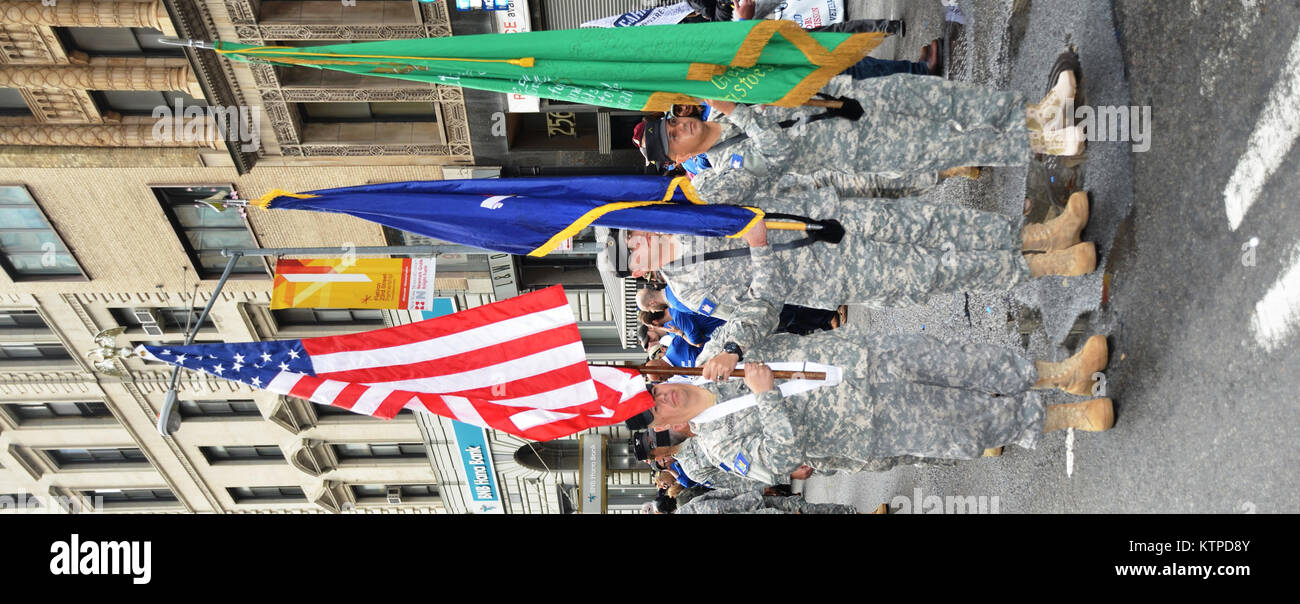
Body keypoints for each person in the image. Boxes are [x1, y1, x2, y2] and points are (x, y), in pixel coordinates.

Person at [643, 326, 1115, 480]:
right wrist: (766, 400)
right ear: (671, 428)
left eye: (654, 390)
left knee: (965, 363)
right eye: (656, 409)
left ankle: (1064, 374)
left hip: (862, 359)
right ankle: (1068, 416)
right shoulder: (721, 449)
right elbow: (781, 460)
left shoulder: (711, 358)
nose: (662, 397)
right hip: (868, 423)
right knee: (966, 425)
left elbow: (757, 307)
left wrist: (736, 349)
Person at [600, 188, 1097, 331]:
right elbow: (763, 304)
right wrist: (758, 248)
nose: (643, 237)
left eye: (636, 231)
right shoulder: (688, 291)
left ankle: (1046, 233)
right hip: (840, 272)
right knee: (948, 268)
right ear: (640, 268)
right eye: (635, 247)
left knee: (939, 225)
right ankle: (1056, 263)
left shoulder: (693, 210)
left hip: (830, 221)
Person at [636, 71, 1083, 205]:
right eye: (672, 140)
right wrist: (744, 114)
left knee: (945, 98)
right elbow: (779, 150)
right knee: (951, 145)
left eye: (671, 124)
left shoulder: (722, 99)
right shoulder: (724, 166)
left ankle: (1037, 115)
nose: (679, 130)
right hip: (855, 147)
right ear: (677, 159)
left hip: (846, 98)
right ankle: (1044, 144)